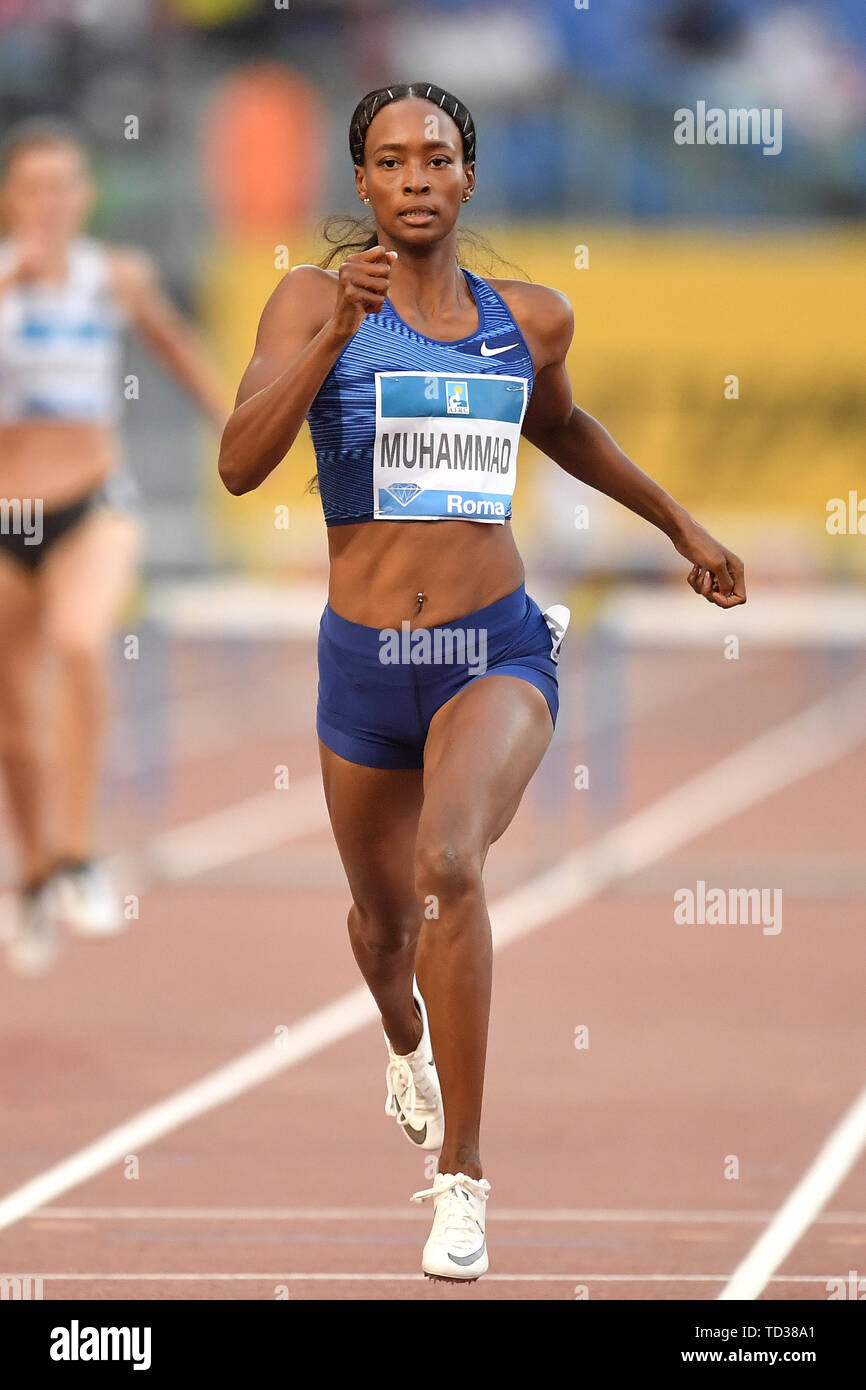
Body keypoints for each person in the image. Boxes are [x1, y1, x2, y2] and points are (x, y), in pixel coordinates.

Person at [218, 82, 746, 1282]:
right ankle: (400, 1035)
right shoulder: (308, 299)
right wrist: (330, 341)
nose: (414, 177)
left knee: (448, 867)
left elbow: (560, 429)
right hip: (363, 665)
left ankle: (460, 1178)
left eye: (437, 158)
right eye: (391, 160)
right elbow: (241, 463)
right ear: (359, 184)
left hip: (489, 651)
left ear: (467, 178)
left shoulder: (530, 320)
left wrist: (680, 526)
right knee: (379, 925)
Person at [0, 121, 227, 975]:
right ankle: (30, 881)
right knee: (14, 724)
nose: (50, 204)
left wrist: (247, 434)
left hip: (91, 502)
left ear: (84, 198)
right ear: (11, 200)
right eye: (33, 188)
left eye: (64, 187)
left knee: (79, 640)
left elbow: (181, 354)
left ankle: (76, 852)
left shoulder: (114, 277)